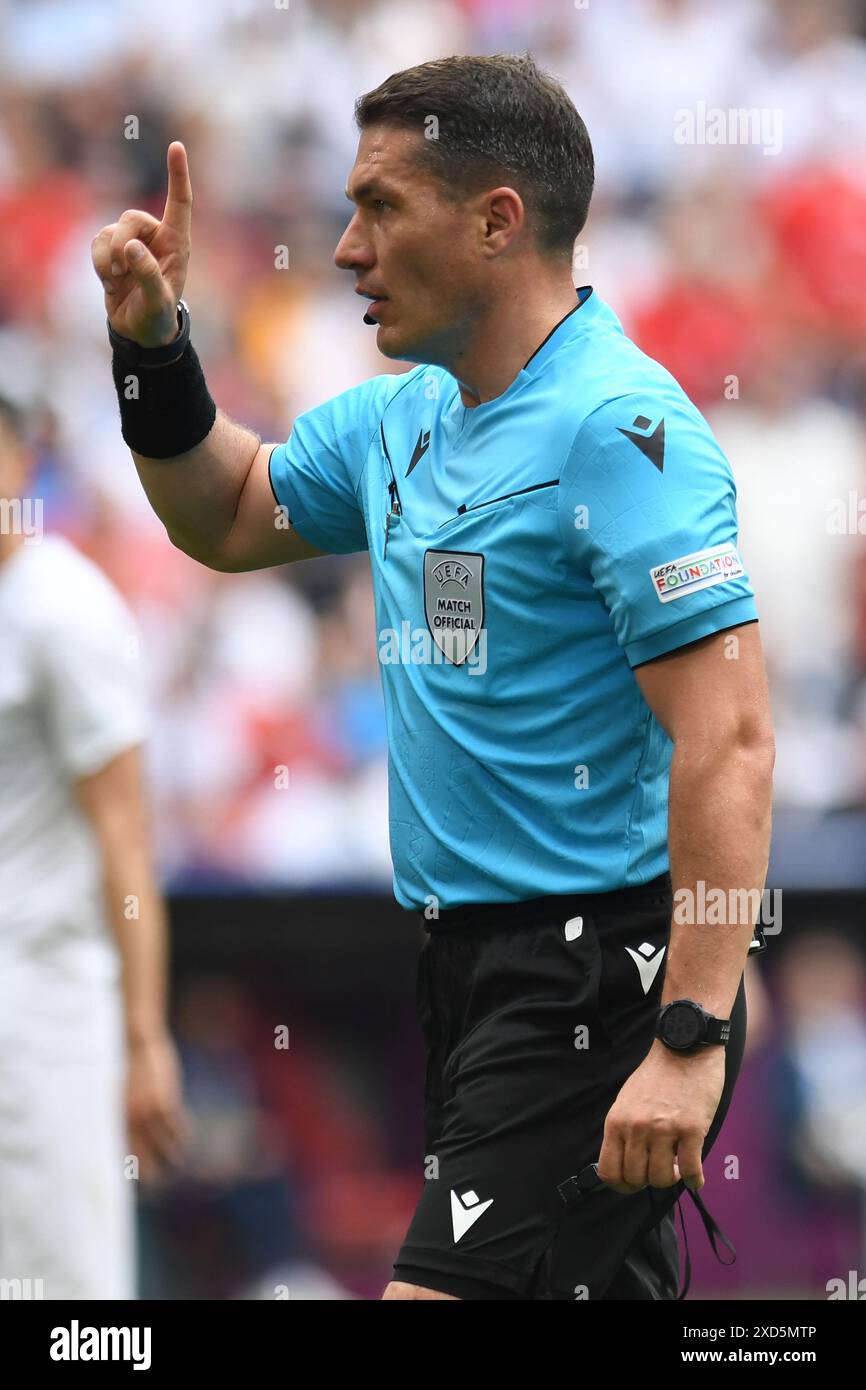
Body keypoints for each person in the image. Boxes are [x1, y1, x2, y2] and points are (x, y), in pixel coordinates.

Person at [91, 53, 774, 1301]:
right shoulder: (403, 418)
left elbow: (727, 742)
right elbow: (228, 514)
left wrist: (688, 1032)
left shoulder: (621, 434)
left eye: (380, 206)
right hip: (461, 966)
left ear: (495, 218)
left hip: (595, 973)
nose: (345, 247)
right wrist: (153, 346)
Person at [0, 394, 186, 1299]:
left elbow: (126, 839)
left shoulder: (61, 612)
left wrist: (143, 1039)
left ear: (20, 465)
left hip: (43, 1010)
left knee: (67, 1295)